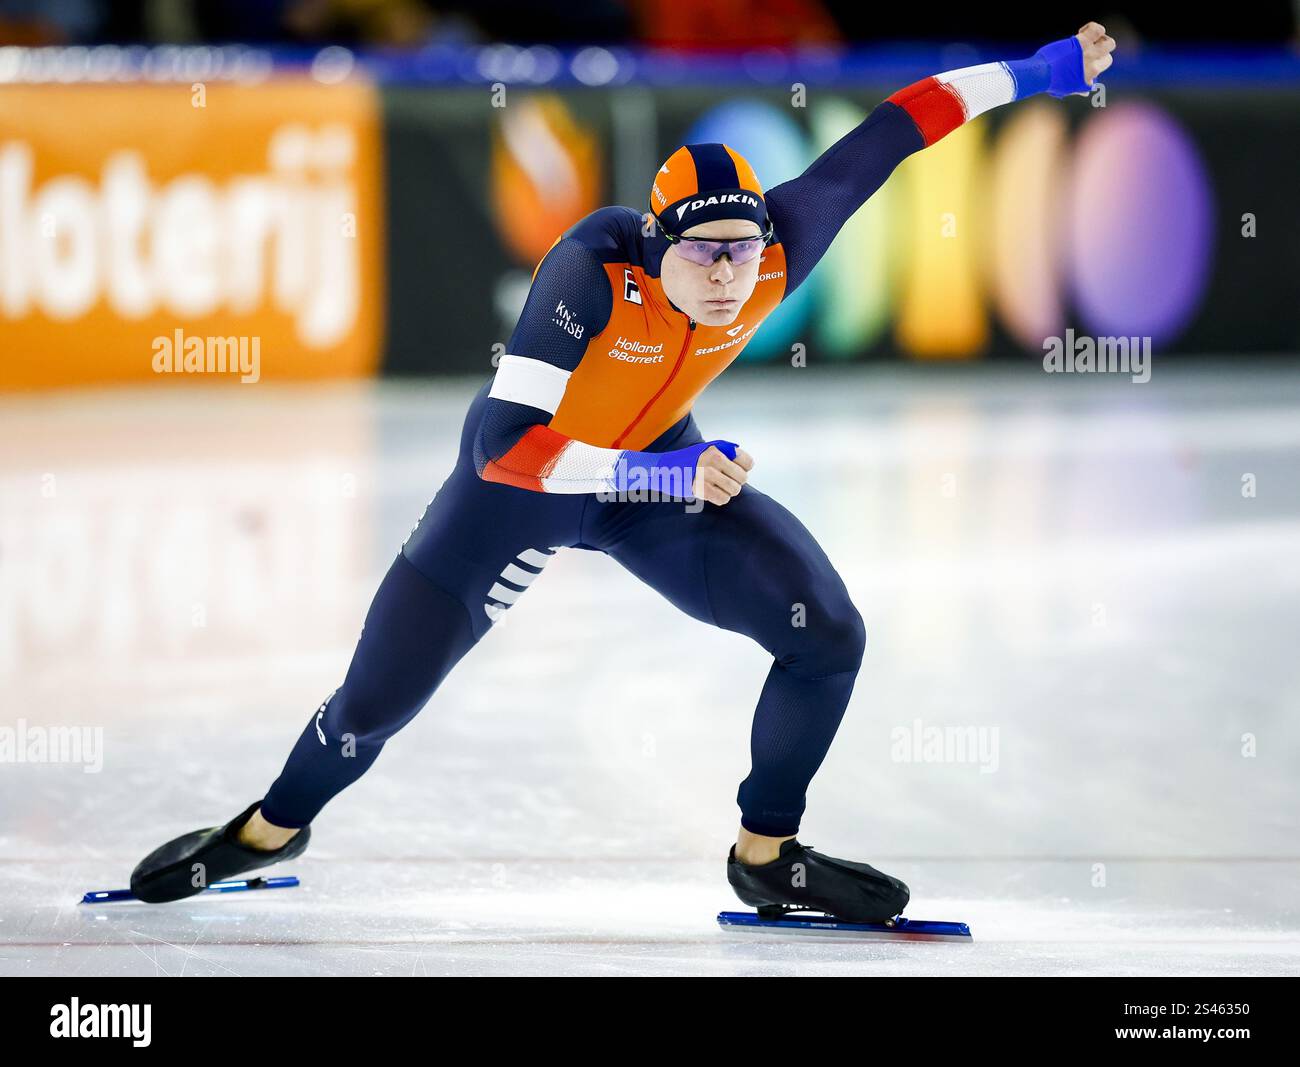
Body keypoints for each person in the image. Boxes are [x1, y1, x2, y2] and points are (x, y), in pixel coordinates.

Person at [130, 24, 1115, 920]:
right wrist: (663, 480)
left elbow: (902, 125)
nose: (729, 273)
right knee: (371, 708)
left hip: (654, 480)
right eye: (704, 253)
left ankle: (766, 852)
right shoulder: (592, 268)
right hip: (514, 500)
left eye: (742, 248)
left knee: (826, 633)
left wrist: (1034, 75)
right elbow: (501, 449)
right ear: (656, 248)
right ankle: (268, 827)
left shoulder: (780, 243)